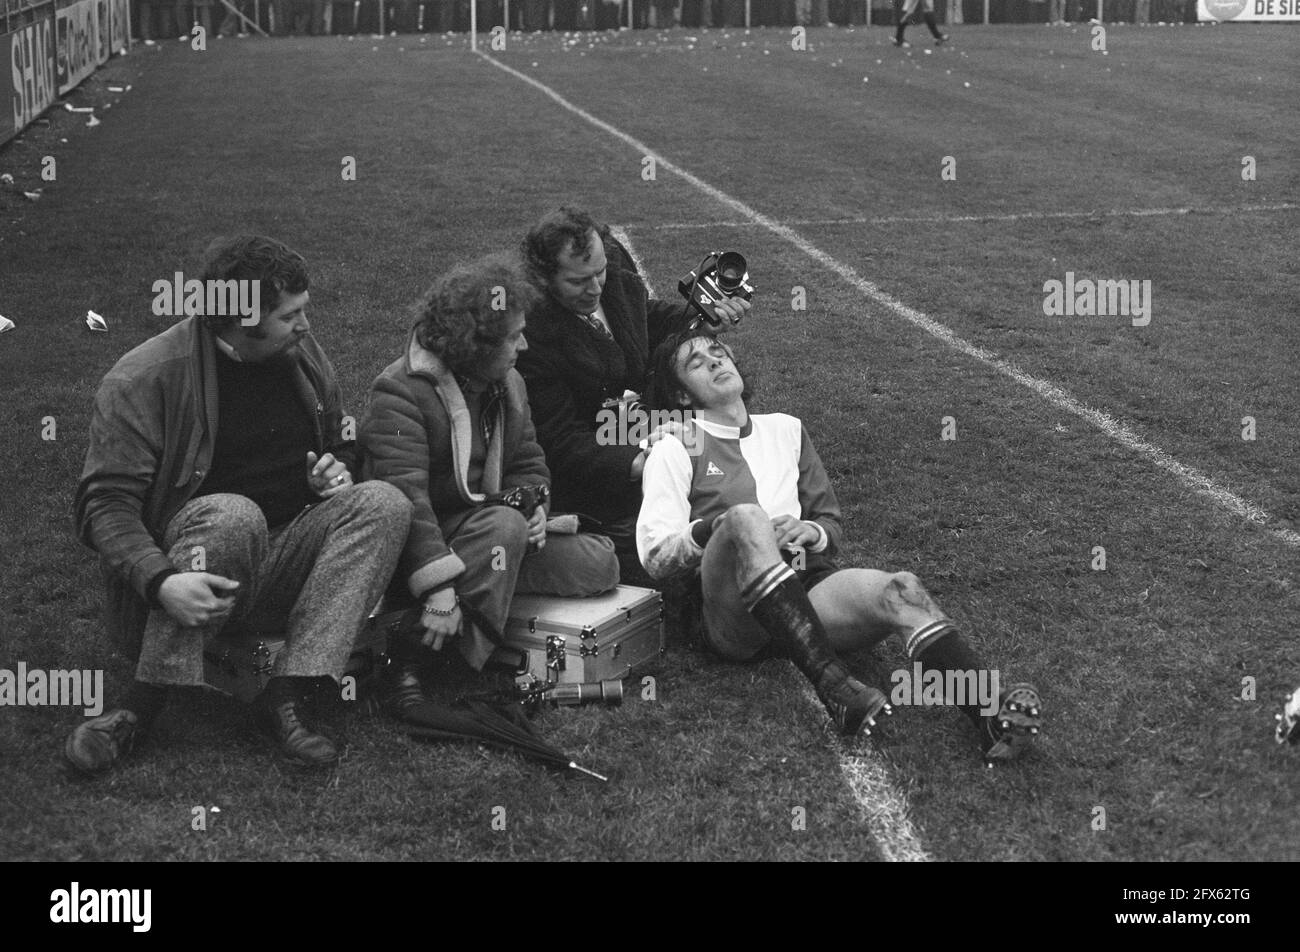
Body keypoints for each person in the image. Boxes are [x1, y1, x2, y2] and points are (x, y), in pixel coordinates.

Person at [64, 236, 412, 774]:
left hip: (283, 556)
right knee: (233, 513)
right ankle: (141, 705)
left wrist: (336, 467)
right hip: (188, 581)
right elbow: (102, 505)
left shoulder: (297, 352)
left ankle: (286, 693)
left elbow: (341, 436)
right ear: (243, 321)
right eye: (291, 314)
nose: (307, 325)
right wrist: (161, 582)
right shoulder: (146, 376)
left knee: (383, 502)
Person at [636, 330, 1042, 762]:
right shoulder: (674, 443)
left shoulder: (787, 429)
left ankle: (990, 711)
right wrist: (718, 527)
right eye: (697, 363)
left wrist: (811, 532)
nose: (715, 361)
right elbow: (656, 556)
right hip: (731, 610)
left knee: (900, 589)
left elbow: (830, 525)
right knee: (746, 516)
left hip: (804, 586)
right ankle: (834, 685)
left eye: (718, 352)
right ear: (681, 395)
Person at [361, 254, 620, 713]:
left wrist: (536, 506)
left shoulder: (509, 382)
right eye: (514, 337)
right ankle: (423, 655)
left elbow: (529, 462)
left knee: (599, 564)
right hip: (428, 546)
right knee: (503, 528)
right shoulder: (400, 391)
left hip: (492, 533)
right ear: (475, 346)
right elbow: (407, 502)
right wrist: (439, 587)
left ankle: (477, 600)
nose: (523, 346)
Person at [516, 206, 749, 579]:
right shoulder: (532, 338)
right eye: (579, 281)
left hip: (645, 426)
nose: (596, 287)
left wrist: (700, 319)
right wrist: (639, 461)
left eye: (600, 271)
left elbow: (645, 316)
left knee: (725, 473)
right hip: (598, 473)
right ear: (545, 280)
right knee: (652, 549)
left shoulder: (613, 273)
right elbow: (559, 443)